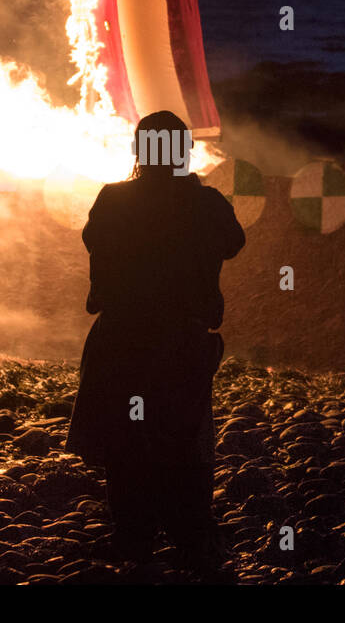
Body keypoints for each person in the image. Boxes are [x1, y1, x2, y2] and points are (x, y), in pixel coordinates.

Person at [65, 111, 246, 569]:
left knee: (126, 441)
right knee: (185, 440)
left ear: (139, 151)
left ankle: (134, 539)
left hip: (122, 338)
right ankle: (190, 541)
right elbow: (232, 243)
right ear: (183, 152)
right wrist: (193, 190)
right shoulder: (205, 204)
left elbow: (94, 242)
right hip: (182, 342)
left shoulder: (113, 200)